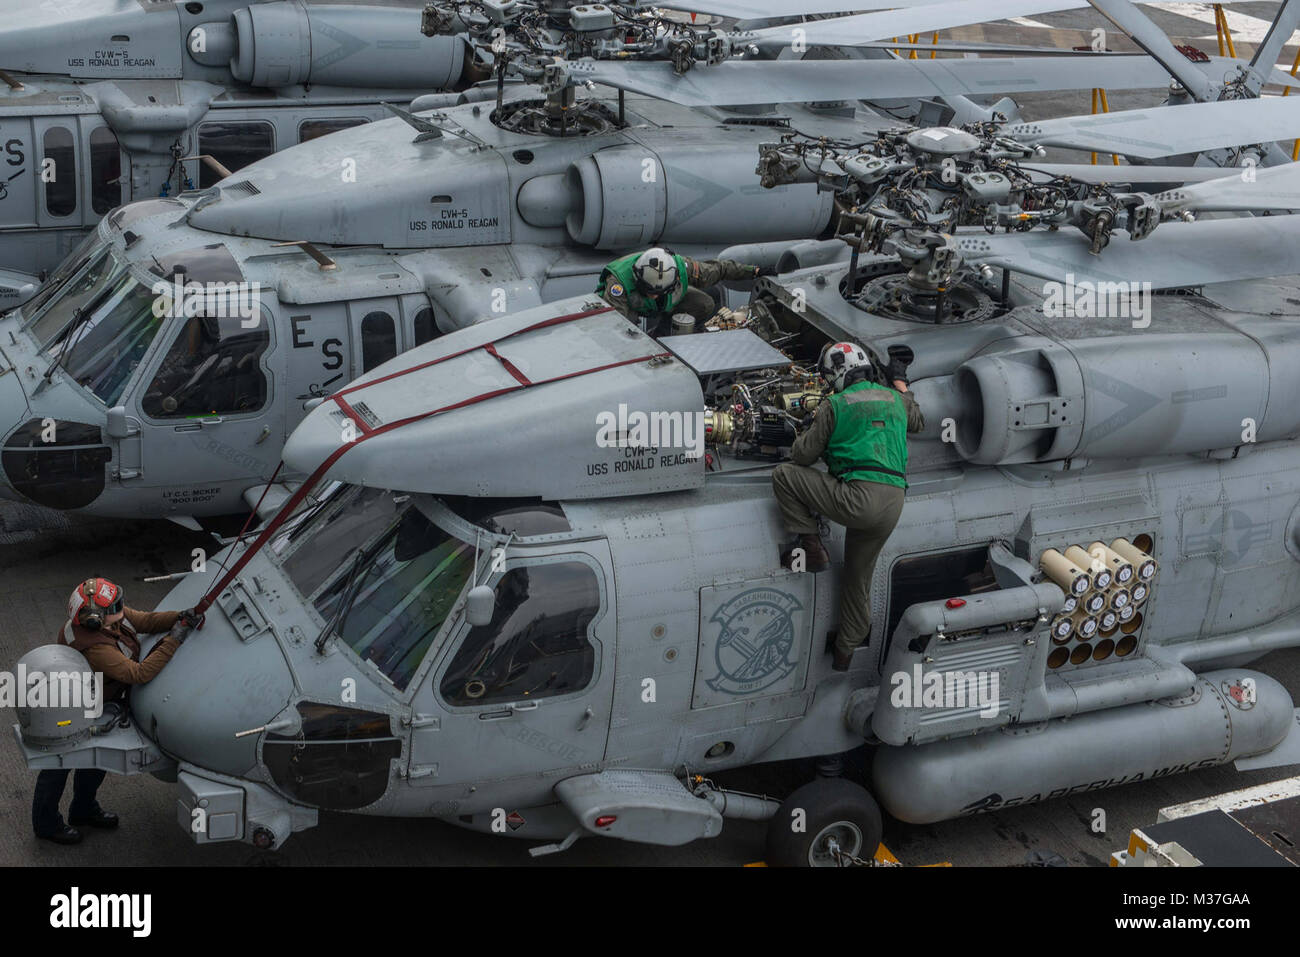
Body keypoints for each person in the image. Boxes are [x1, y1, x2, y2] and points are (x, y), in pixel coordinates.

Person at [772, 342, 924, 672]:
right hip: (894, 502)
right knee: (858, 579)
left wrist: (810, 428)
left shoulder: (835, 404)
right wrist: (900, 378)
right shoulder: (896, 399)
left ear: (838, 373)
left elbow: (802, 457)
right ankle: (844, 655)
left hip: (857, 499)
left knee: (785, 476)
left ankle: (811, 547)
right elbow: (918, 421)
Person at [31, 578, 198, 845]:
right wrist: (174, 639)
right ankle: (46, 825)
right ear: (97, 620)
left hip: (97, 704)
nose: (123, 608)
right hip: (69, 709)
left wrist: (178, 617)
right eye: (117, 606)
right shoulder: (95, 647)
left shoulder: (107, 618)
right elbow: (138, 673)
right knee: (57, 767)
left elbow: (144, 621)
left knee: (96, 761)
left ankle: (83, 811)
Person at [596, 247, 774, 334]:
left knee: (704, 304)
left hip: (660, 308)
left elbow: (720, 269)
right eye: (649, 290)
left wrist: (755, 271)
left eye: (659, 292)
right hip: (627, 309)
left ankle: (663, 336)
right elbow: (612, 325)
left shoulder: (682, 268)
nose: (654, 295)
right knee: (625, 329)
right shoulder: (617, 283)